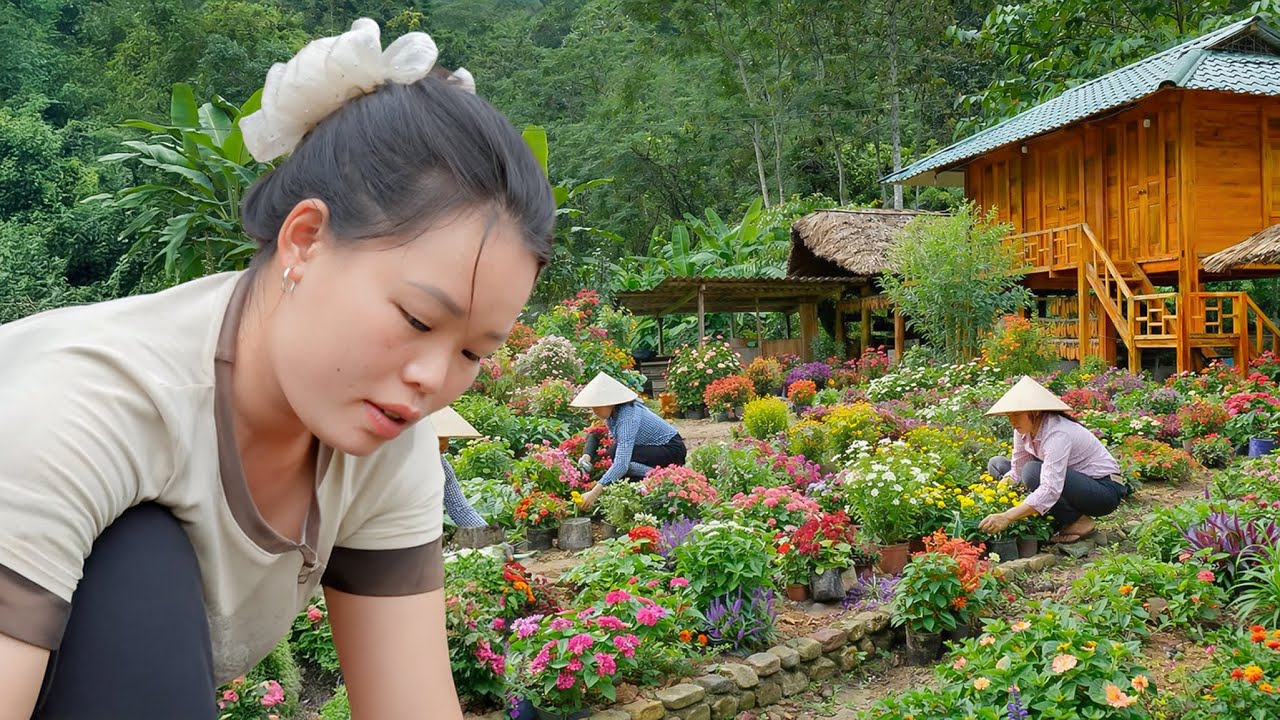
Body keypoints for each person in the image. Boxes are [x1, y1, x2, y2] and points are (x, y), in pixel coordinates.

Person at [0, 18, 553, 720]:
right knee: (137, 559)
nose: (432, 378)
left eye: (474, 352)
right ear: (305, 239)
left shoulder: (380, 432)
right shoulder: (80, 409)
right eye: (417, 320)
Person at [977, 376, 1131, 544]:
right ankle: (1043, 510)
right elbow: (1016, 471)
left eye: (1017, 414)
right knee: (997, 464)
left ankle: (1078, 520)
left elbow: (1050, 487)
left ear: (1034, 412)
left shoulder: (1058, 433)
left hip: (1103, 491)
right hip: (1068, 483)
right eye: (1009, 415)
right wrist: (992, 495)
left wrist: (1008, 516)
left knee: (1032, 472)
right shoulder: (1022, 430)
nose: (1012, 420)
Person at [573, 372, 686, 511]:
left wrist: (594, 493)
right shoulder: (613, 415)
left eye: (598, 406)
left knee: (621, 462)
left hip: (670, 449)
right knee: (615, 453)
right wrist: (587, 457)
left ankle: (660, 477)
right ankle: (652, 476)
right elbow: (602, 438)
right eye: (593, 407)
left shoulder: (628, 416)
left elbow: (621, 464)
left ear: (611, 403)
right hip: (652, 447)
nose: (595, 411)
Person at [431, 406, 488, 529]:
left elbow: (459, 508)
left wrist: (489, 537)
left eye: (447, 438)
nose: (445, 446)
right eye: (440, 438)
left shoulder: (442, 466)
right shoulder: (393, 462)